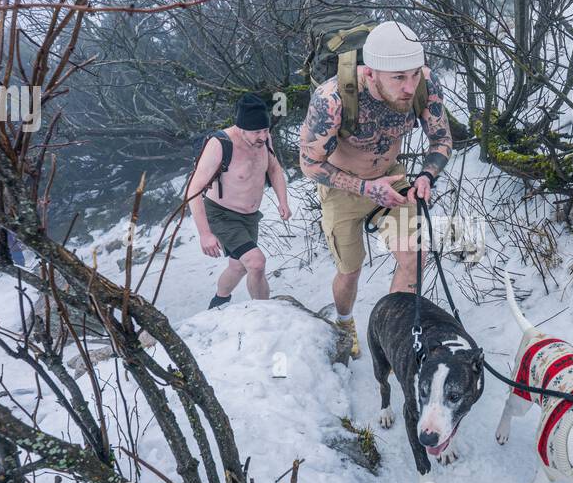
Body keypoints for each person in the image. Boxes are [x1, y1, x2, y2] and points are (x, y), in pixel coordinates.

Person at [298, 20, 453, 358]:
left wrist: (426, 176)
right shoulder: (332, 98)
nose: (409, 87)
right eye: (398, 78)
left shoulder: (425, 84)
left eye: (414, 74)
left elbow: (441, 140)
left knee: (415, 257)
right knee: (350, 270)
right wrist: (366, 188)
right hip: (343, 187)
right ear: (370, 74)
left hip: (393, 179)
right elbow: (309, 164)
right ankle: (344, 322)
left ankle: (391, 333)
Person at [187, 93, 291, 308]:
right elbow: (193, 189)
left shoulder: (264, 138)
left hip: (250, 216)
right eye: (256, 132)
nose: (262, 137)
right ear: (241, 127)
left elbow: (274, 168)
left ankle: (219, 300)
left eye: (265, 130)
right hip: (221, 214)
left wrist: (283, 201)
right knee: (256, 263)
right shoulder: (220, 144)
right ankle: (265, 312)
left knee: (239, 266)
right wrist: (205, 234)